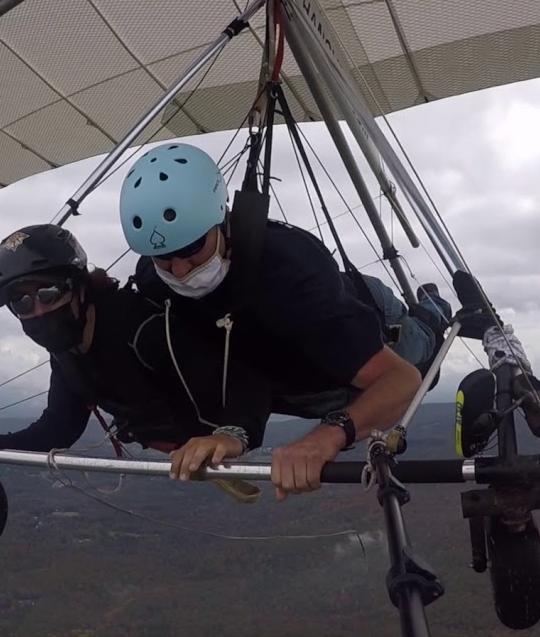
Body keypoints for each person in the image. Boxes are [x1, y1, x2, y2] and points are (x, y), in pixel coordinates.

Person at [118, 141, 452, 499]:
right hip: (298, 354)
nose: (180, 271)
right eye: (163, 257)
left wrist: (327, 436)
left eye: (191, 249)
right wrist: (234, 432)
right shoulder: (158, 283)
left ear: (221, 221)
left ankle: (434, 307)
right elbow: (244, 354)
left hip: (367, 316)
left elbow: (402, 379)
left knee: (421, 346)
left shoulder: (291, 271)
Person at [0, 223, 267, 502]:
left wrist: (231, 436)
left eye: (49, 292)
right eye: (19, 302)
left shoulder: (143, 329)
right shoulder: (68, 351)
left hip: (222, 423)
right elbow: (59, 429)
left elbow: (246, 372)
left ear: (79, 288)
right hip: (176, 441)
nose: (38, 310)